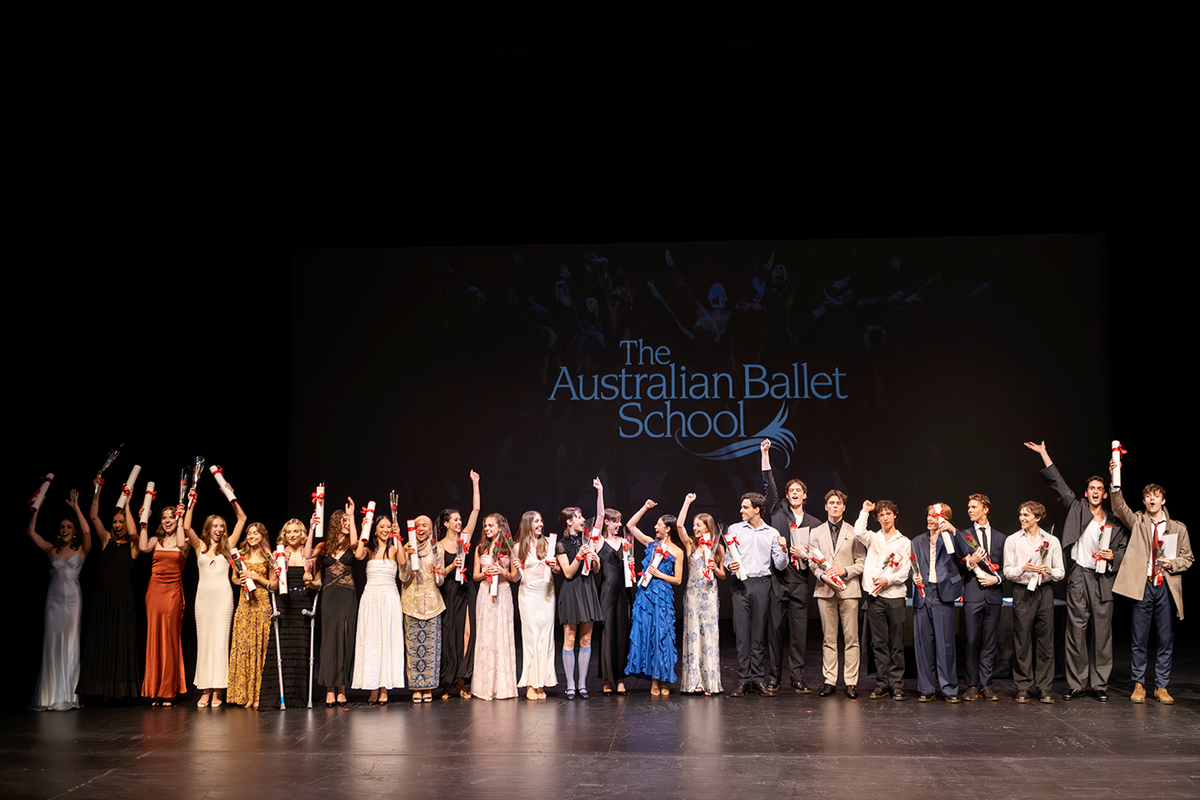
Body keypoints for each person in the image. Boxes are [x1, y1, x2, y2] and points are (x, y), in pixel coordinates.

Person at [1026, 441, 1127, 702]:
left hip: (1103, 580)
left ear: (1105, 494)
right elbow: (1058, 484)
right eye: (1092, 488)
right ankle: (1077, 684)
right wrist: (1044, 454)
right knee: (1076, 633)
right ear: (1086, 492)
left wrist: (1113, 557)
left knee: (1102, 634)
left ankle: (1100, 684)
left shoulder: (1114, 521)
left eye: (1100, 489)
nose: (1095, 492)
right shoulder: (1077, 507)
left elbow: (1123, 549)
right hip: (1080, 576)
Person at [1110, 465, 1192, 704]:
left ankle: (1161, 686)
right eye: (1147, 496)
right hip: (1143, 585)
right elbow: (1118, 507)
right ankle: (1138, 684)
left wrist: (1172, 563)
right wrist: (1115, 478)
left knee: (1165, 639)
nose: (1151, 499)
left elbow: (1188, 558)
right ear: (1144, 501)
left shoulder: (1177, 528)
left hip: (1165, 586)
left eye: (1156, 496)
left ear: (1163, 500)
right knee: (1139, 637)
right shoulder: (1138, 521)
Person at [761, 440, 820, 694]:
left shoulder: (815, 523)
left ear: (805, 495)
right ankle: (774, 677)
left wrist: (807, 556)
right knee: (775, 631)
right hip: (778, 580)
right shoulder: (778, 511)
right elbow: (768, 483)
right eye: (791, 490)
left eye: (799, 490)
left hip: (800, 582)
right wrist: (765, 453)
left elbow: (819, 555)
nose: (794, 493)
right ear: (786, 496)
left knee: (799, 633)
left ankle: (797, 677)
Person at [78, 475, 142, 701]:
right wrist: (97, 489)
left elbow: (134, 533)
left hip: (122, 596)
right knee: (102, 638)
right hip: (104, 595)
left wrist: (129, 504)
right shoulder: (106, 540)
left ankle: (120, 691)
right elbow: (93, 516)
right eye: (115, 522)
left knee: (120, 640)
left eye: (121, 522)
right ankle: (99, 691)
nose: (117, 525)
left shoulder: (133, 546)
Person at [28, 488, 91, 711]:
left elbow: (87, 530)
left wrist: (76, 507)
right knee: (52, 645)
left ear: (74, 531)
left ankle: (67, 695)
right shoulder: (52, 549)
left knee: (70, 644)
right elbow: (31, 533)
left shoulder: (81, 550)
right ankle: (48, 697)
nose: (65, 530)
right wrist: (37, 507)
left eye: (69, 527)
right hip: (53, 603)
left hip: (73, 603)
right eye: (62, 527)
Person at [185, 490, 247, 708]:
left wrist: (231, 496)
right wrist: (191, 502)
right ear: (208, 528)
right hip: (203, 600)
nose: (219, 529)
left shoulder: (228, 545)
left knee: (220, 644)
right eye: (215, 526)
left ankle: (218, 690)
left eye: (221, 526)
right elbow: (186, 527)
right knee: (204, 643)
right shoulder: (199, 546)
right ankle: (205, 689)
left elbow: (242, 519)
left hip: (223, 599)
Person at [724, 491, 787, 697]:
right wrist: (730, 565)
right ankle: (744, 679)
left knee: (758, 633)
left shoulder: (772, 533)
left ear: (757, 509)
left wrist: (784, 550)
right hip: (741, 583)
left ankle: (758, 679)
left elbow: (780, 565)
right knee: (742, 633)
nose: (741, 510)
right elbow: (727, 557)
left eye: (745, 507)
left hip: (762, 584)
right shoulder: (735, 529)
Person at [1002, 501, 1064, 704]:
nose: (1022, 518)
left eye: (1026, 515)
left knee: (1046, 642)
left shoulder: (1051, 541)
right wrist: (1023, 568)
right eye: (1021, 514)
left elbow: (1061, 572)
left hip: (1044, 591)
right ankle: (1023, 686)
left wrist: (1049, 571)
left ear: (1038, 518)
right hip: (1022, 592)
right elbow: (1007, 571)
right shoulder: (1013, 540)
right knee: (1022, 641)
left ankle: (1044, 687)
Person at [808, 490, 865, 698]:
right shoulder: (816, 532)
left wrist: (844, 571)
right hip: (825, 590)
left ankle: (851, 682)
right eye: (831, 503)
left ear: (844, 507)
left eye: (838, 503)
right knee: (828, 638)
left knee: (851, 638)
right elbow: (812, 562)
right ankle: (829, 680)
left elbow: (861, 562)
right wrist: (823, 577)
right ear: (826, 506)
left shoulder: (854, 532)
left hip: (849, 590)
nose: (834, 506)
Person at [852, 499, 911, 701]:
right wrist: (865, 511)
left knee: (896, 643)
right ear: (877, 518)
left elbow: (905, 571)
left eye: (888, 514)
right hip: (875, 596)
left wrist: (888, 580)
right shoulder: (873, 538)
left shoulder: (904, 542)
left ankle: (897, 684)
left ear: (894, 515)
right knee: (879, 643)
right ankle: (882, 683)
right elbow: (858, 532)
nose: (885, 518)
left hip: (895, 596)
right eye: (881, 515)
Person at [624, 499, 683, 695]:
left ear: (668, 528)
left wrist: (659, 575)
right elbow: (630, 526)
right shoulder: (651, 544)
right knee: (647, 633)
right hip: (645, 595)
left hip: (663, 597)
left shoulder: (677, 551)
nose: (655, 527)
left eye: (659, 524)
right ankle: (653, 680)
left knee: (662, 636)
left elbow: (678, 580)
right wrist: (645, 508)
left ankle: (663, 679)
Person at [258, 517, 319, 710]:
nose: (292, 535)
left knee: (300, 651)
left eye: (296, 531)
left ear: (302, 534)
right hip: (284, 605)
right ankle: (275, 698)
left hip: (302, 604)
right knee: (280, 651)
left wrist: (309, 580)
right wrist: (277, 577)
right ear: (284, 535)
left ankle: (297, 698)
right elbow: (271, 586)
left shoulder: (309, 555)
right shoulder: (278, 554)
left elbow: (317, 582)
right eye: (289, 532)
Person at [953, 493, 1006, 702]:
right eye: (969, 507)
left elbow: (1007, 568)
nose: (969, 510)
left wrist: (997, 579)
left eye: (974, 507)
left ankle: (986, 685)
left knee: (989, 643)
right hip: (973, 595)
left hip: (993, 595)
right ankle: (972, 685)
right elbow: (957, 567)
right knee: (972, 641)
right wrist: (971, 562)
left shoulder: (1001, 538)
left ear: (986, 509)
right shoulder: (963, 536)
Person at [914, 503, 967, 703]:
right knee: (923, 644)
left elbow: (964, 553)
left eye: (934, 516)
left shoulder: (951, 538)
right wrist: (913, 576)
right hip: (923, 594)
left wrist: (953, 531)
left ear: (944, 519)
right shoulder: (917, 540)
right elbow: (912, 564)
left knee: (945, 644)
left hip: (943, 594)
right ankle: (926, 688)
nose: (930, 519)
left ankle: (949, 689)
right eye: (928, 515)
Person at [139, 503, 190, 706]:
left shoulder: (184, 540)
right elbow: (142, 547)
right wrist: (144, 524)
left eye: (171, 517)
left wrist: (181, 519)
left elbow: (181, 543)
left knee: (170, 638)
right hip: (154, 592)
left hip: (173, 593)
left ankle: (168, 690)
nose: (168, 521)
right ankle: (154, 689)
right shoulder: (155, 540)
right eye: (164, 518)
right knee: (154, 638)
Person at [352, 515, 406, 705]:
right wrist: (364, 529)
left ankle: (384, 687)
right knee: (371, 642)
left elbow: (403, 561)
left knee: (388, 641)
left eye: (388, 527)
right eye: (381, 526)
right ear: (375, 530)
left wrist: (398, 537)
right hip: (371, 599)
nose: (385, 530)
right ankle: (373, 686)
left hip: (389, 599)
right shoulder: (369, 550)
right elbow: (357, 555)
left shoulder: (393, 549)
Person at [436, 471, 480, 699]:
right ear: (446, 523)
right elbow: (438, 574)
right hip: (449, 591)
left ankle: (462, 678)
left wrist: (475, 483)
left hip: (466, 589)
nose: (459, 522)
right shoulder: (439, 546)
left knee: (468, 633)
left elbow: (476, 510)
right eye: (455, 520)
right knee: (450, 637)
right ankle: (448, 681)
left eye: (460, 520)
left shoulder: (465, 538)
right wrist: (452, 565)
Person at [315, 500, 364, 707]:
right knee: (329, 640)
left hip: (347, 596)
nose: (346, 524)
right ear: (335, 523)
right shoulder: (324, 546)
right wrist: (312, 527)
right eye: (343, 520)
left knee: (344, 639)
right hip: (329, 596)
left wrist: (352, 516)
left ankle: (342, 688)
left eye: (347, 521)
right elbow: (308, 556)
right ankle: (329, 688)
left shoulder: (352, 545)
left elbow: (355, 543)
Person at [676, 493, 726, 695]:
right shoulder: (691, 545)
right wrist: (687, 502)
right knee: (693, 635)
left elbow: (723, 575)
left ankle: (710, 682)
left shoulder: (717, 547)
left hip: (709, 595)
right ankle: (694, 681)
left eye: (698, 525)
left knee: (709, 636)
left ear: (707, 527)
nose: (695, 528)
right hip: (693, 596)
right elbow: (679, 525)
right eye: (694, 525)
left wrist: (715, 568)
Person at [226, 522, 278, 708]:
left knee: (260, 648)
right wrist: (239, 580)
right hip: (245, 605)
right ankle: (245, 695)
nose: (251, 536)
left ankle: (259, 695)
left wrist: (257, 577)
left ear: (262, 535)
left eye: (255, 533)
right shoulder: (239, 555)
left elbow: (274, 584)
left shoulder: (268, 556)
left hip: (262, 604)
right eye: (249, 533)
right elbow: (233, 577)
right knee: (244, 647)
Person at [555, 504, 602, 698]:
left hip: (587, 588)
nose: (583, 520)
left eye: (583, 517)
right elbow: (567, 573)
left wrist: (595, 559)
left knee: (586, 638)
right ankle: (570, 684)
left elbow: (595, 571)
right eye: (578, 517)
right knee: (570, 638)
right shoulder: (561, 544)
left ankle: (582, 683)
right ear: (569, 521)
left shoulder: (587, 541)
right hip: (571, 590)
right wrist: (580, 556)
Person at [472, 513, 519, 700]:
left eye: (490, 525)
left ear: (500, 527)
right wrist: (486, 573)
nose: (487, 529)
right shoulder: (480, 548)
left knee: (501, 634)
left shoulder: (510, 547)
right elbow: (475, 575)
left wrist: (503, 571)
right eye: (485, 525)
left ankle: (503, 686)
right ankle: (484, 686)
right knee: (486, 635)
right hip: (485, 593)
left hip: (503, 592)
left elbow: (515, 577)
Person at [591, 478, 630, 696]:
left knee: (622, 634)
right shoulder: (599, 542)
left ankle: (620, 677)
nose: (618, 525)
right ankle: (607, 679)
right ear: (607, 522)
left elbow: (629, 570)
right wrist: (601, 491)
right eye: (615, 522)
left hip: (623, 594)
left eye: (620, 522)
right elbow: (598, 516)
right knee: (607, 634)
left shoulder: (625, 543)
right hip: (606, 593)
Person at [400, 515, 445, 702]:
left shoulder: (437, 549)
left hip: (433, 604)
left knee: (431, 649)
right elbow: (403, 577)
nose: (420, 528)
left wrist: (438, 573)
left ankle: (429, 687)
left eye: (424, 525)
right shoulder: (406, 548)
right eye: (417, 525)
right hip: (412, 604)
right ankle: (416, 687)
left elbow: (440, 581)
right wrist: (408, 560)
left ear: (430, 529)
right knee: (413, 648)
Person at [515, 510, 558, 700]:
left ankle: (542, 683)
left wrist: (555, 566)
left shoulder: (549, 543)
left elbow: (557, 569)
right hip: (528, 595)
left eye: (541, 520)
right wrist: (515, 568)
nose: (540, 524)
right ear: (528, 524)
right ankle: (531, 684)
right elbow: (515, 576)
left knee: (546, 638)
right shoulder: (518, 547)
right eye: (536, 521)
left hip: (546, 593)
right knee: (531, 637)